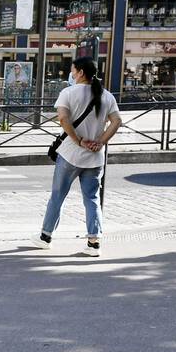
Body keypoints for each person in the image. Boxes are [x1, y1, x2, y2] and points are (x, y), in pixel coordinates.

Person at [39, 57, 122, 255]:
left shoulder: (67, 93)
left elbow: (63, 119)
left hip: (70, 154)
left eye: (73, 70)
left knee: (58, 196)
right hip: (95, 157)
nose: (72, 74)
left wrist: (79, 141)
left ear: (81, 72)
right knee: (92, 198)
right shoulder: (107, 96)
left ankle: (45, 236)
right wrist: (100, 141)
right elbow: (117, 121)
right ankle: (94, 242)